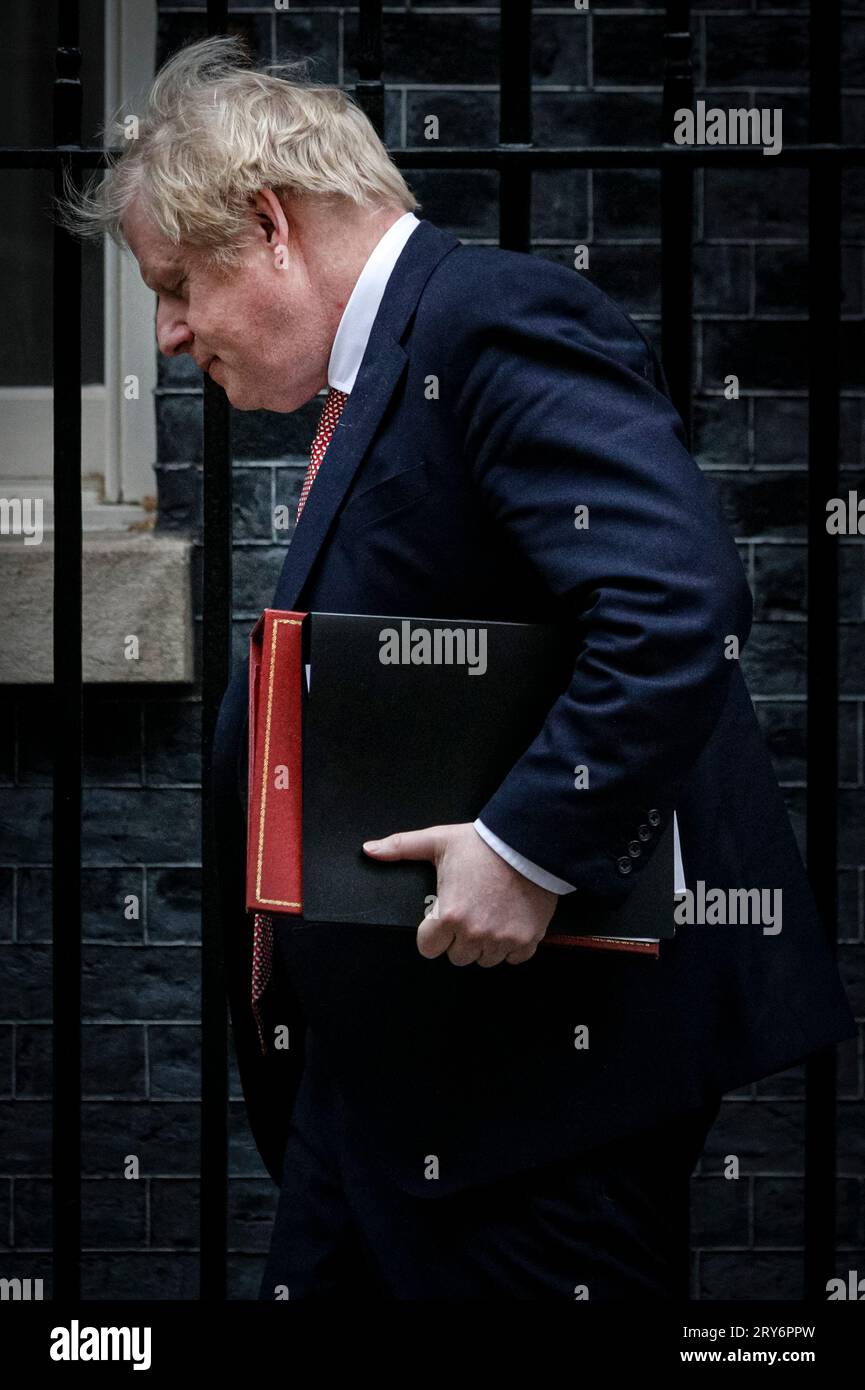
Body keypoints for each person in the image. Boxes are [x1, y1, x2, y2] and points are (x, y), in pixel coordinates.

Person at [60, 36, 856, 1299]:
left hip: (527, 1110)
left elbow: (673, 598)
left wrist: (528, 844)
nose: (167, 334)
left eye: (174, 285)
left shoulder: (493, 318)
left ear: (267, 224)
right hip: (402, 1093)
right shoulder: (390, 360)